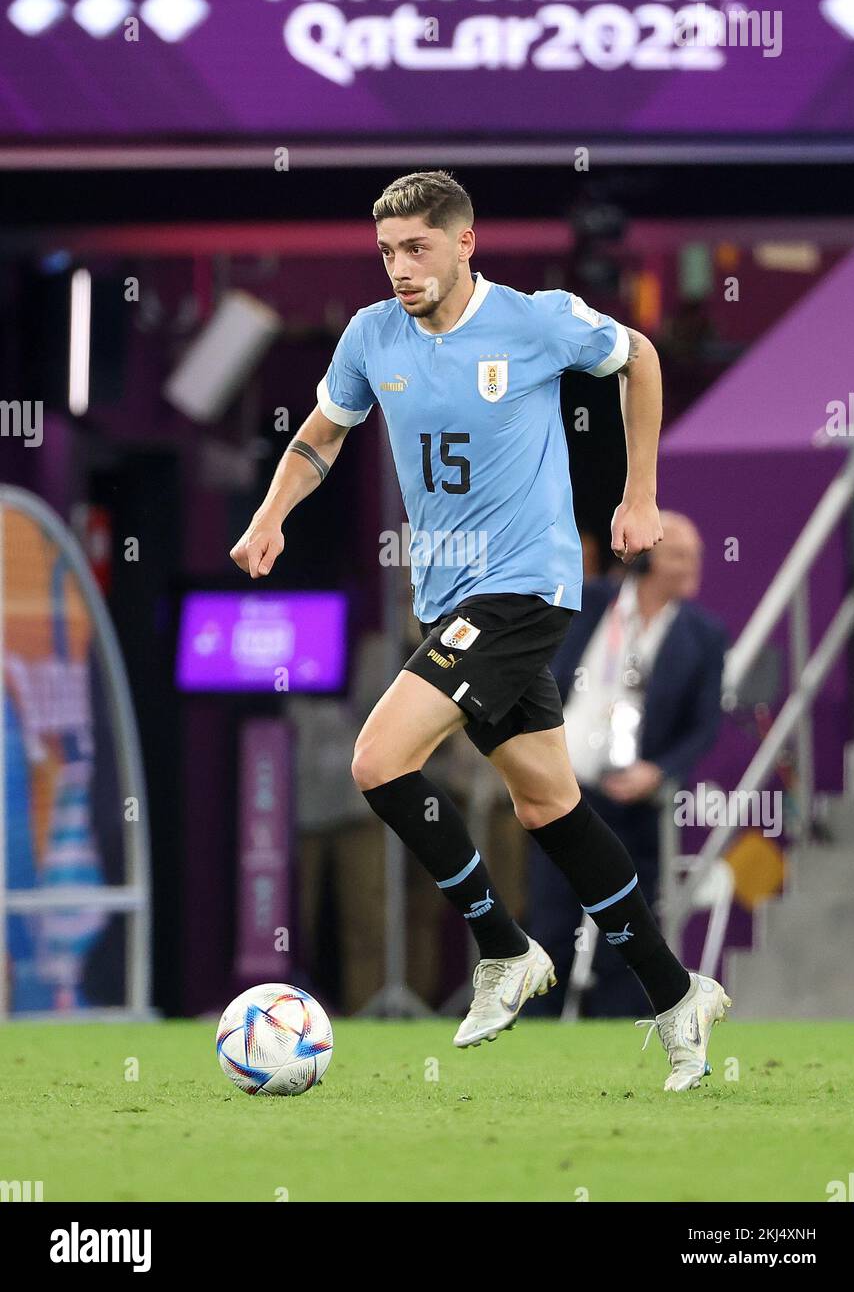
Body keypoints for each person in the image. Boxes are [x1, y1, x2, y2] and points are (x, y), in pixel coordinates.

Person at [230, 170, 731, 1091]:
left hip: (526, 589)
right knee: (550, 807)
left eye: (417, 248)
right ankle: (676, 995)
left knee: (378, 761)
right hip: (447, 597)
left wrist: (639, 492)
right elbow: (323, 434)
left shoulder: (535, 321)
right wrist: (273, 515)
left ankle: (503, 949)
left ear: (465, 243)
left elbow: (642, 360)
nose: (400, 269)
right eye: (386, 252)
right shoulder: (372, 336)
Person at [527, 513, 727, 1017]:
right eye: (681, 555)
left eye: (697, 555)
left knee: (628, 928)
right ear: (652, 559)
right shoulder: (593, 602)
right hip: (565, 790)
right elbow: (541, 669)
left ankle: (619, 1038)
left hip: (634, 802)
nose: (693, 567)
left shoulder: (704, 635)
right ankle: (530, 1038)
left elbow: (703, 726)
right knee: (552, 920)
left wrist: (658, 773)